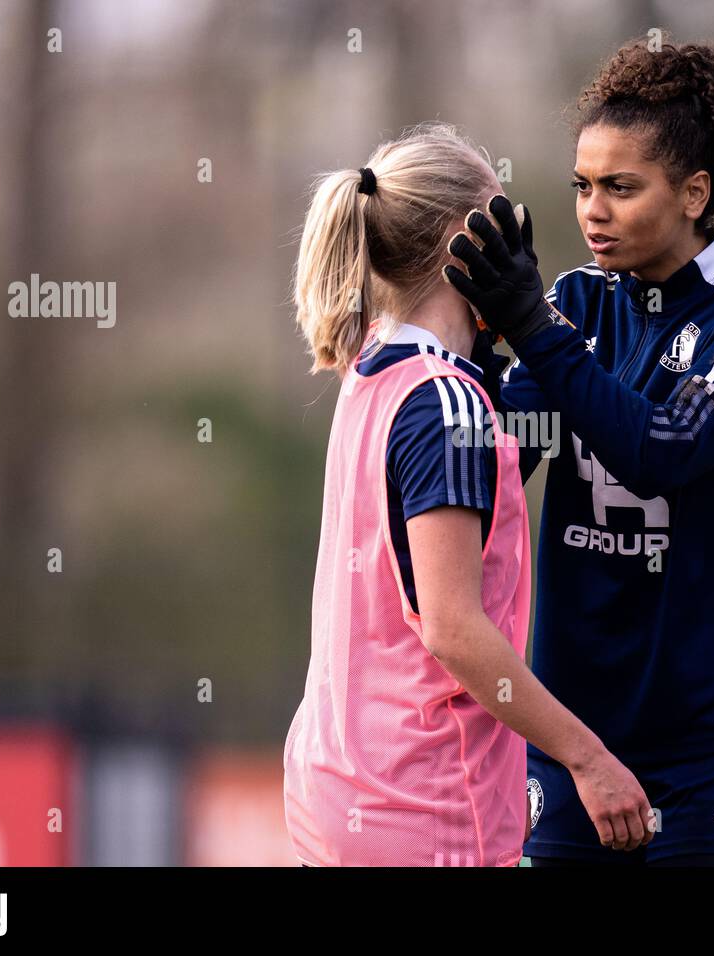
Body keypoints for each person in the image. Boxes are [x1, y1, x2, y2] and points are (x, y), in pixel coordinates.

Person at [445, 39, 714, 866]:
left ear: (695, 192)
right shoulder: (575, 302)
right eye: (582, 186)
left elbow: (662, 449)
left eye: (621, 187)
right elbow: (502, 468)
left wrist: (536, 334)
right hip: (579, 743)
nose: (592, 211)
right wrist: (469, 356)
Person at [282, 123, 652, 867]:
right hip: (422, 805)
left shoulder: (372, 374)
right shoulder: (446, 402)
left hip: (336, 790)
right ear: (464, 240)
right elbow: (451, 627)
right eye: (502, 225)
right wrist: (587, 758)